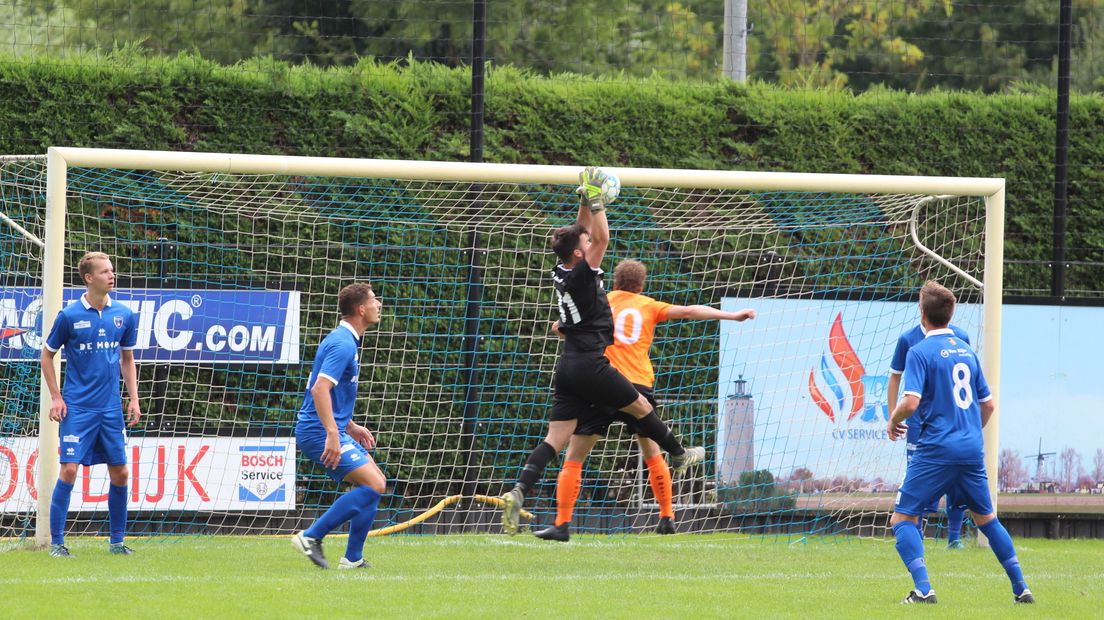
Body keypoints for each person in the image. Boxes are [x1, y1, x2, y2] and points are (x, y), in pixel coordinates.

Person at [500, 168, 704, 535]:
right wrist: (597, 201)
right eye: (585, 244)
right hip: (592, 366)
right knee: (642, 408)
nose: (589, 241)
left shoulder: (561, 270)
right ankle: (680, 455)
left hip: (566, 369)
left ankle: (519, 490)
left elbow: (584, 234)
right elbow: (603, 237)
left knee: (555, 441)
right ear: (580, 253)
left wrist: (584, 197)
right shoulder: (582, 275)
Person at [534, 259, 755, 541]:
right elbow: (688, 311)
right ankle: (666, 517)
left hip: (602, 382)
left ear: (614, 282)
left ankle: (562, 523)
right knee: (651, 451)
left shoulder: (600, 300)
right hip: (637, 385)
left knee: (575, 455)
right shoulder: (649, 305)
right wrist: (733, 315)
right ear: (641, 285)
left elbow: (559, 327)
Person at [887, 281, 1033, 605]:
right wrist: (968, 433)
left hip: (936, 449)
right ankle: (1021, 587)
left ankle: (924, 590)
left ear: (922, 313)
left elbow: (910, 403)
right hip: (971, 449)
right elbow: (989, 404)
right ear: (949, 315)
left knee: (902, 519)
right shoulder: (966, 350)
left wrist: (892, 420)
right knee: (987, 519)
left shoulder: (919, 351)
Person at [41, 251, 140, 557]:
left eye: (112, 270)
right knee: (69, 470)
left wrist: (133, 398)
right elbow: (47, 355)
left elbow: (127, 358)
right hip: (78, 408)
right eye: (105, 271)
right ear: (89, 278)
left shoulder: (123, 314)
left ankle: (117, 542)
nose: (112, 275)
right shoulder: (69, 316)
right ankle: (57, 543)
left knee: (121, 473)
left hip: (110, 409)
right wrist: (57, 397)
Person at [291, 283, 386, 570]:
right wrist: (333, 432)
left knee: (374, 482)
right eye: (373, 301)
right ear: (361, 309)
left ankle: (353, 558)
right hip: (318, 432)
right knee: (374, 484)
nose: (378, 304)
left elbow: (324, 391)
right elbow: (319, 389)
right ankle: (311, 536)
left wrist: (350, 425)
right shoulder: (343, 344)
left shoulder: (344, 340)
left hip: (327, 427)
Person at [888, 305, 972, 548]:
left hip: (953, 424)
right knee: (918, 482)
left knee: (956, 482)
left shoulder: (960, 337)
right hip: (919, 425)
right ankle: (918, 535)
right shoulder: (908, 340)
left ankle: (954, 538)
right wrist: (894, 414)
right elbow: (895, 375)